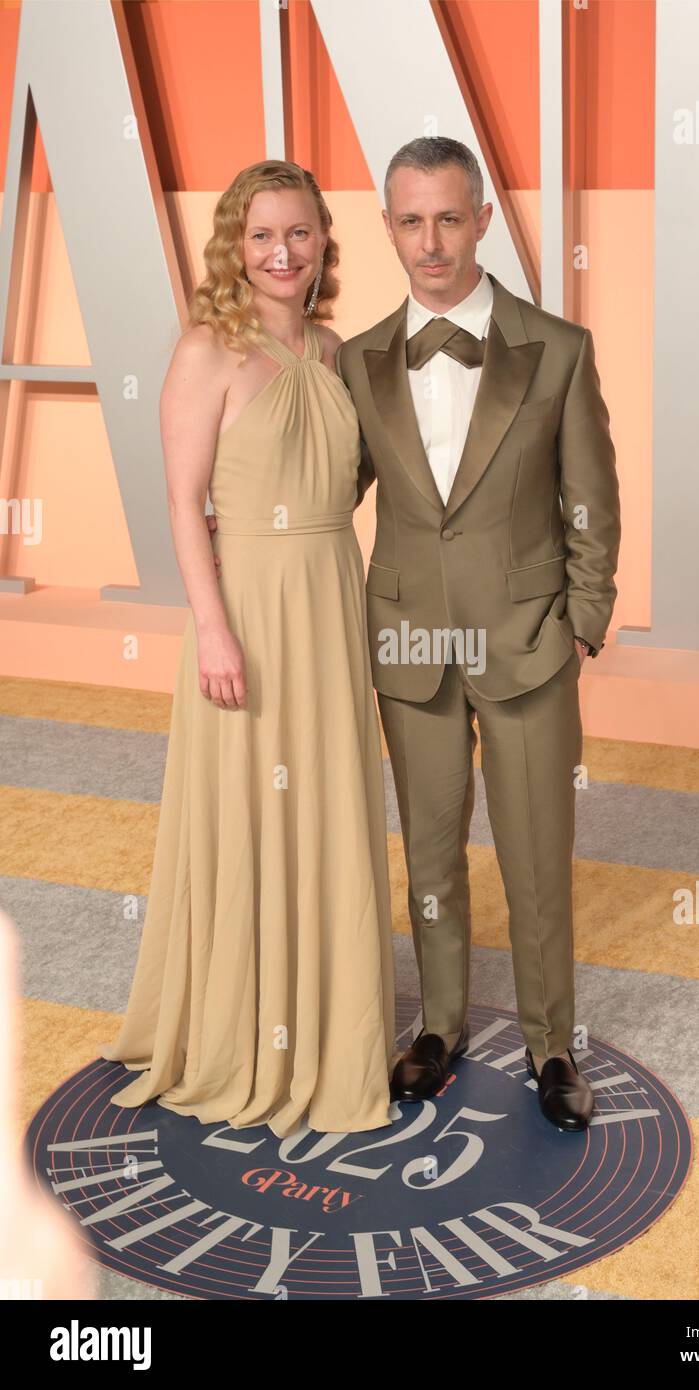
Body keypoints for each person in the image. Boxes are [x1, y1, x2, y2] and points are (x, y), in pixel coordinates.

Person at [100, 161, 398, 1137]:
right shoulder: (206, 353)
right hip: (249, 611)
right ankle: (244, 1027)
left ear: (323, 241)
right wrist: (214, 625)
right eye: (263, 234)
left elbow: (343, 486)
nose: (283, 252)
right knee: (251, 808)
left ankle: (330, 1029)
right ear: (235, 244)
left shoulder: (336, 349)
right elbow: (184, 506)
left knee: (330, 804)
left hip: (328, 598)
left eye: (300, 233)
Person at [335, 137, 621, 1132]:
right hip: (409, 645)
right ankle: (440, 1026)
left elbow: (590, 495)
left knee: (538, 855)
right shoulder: (357, 360)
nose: (431, 242)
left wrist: (583, 617)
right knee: (428, 853)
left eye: (449, 218)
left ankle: (552, 1044)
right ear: (387, 227)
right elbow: (337, 494)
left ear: (482, 218)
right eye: (410, 220)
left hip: (530, 638)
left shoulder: (558, 347)